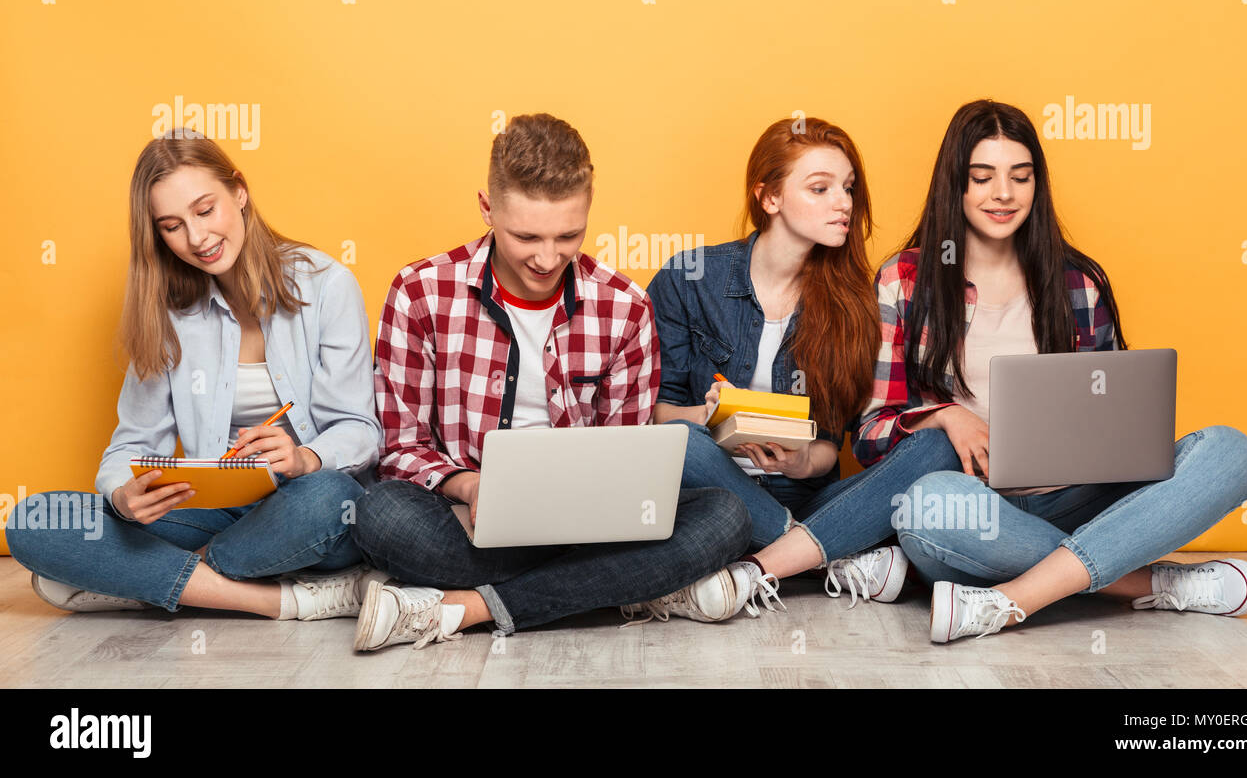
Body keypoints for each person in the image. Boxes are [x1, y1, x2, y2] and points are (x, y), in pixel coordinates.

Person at [863, 100, 1247, 643]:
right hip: (984, 513)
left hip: (1085, 501)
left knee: (1231, 451)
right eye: (982, 177)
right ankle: (1148, 581)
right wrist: (944, 417)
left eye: (1019, 177)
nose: (1003, 194)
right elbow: (870, 434)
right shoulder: (903, 281)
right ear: (953, 184)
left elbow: (1122, 423)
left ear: (1036, 185)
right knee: (925, 507)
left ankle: (1009, 601)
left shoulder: (1078, 282)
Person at [349, 113, 752, 651]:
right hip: (466, 518)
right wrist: (466, 487)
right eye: (525, 236)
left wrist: (596, 511)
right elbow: (401, 448)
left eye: (569, 235)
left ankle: (466, 608)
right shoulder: (419, 292)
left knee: (726, 516)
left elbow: (628, 462)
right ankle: (632, 585)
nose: (546, 258)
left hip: (590, 526)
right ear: (487, 208)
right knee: (380, 513)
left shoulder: (624, 307)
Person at [5, 129, 384, 622]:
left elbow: (360, 428)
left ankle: (144, 581)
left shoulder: (327, 285)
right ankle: (277, 600)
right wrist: (123, 495)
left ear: (239, 192)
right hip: (211, 513)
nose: (197, 238)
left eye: (206, 210)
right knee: (35, 520)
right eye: (172, 226)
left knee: (332, 500)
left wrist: (304, 457)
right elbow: (129, 446)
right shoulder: (165, 313)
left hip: (303, 507)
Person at [638, 117, 965, 622]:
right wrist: (716, 418)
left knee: (938, 446)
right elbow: (656, 417)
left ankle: (775, 556)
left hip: (806, 493)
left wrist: (793, 463)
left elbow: (828, 451)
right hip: (708, 489)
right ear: (769, 198)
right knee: (682, 438)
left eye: (849, 188)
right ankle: (825, 555)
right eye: (820, 188)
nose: (844, 203)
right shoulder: (688, 279)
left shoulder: (857, 303)